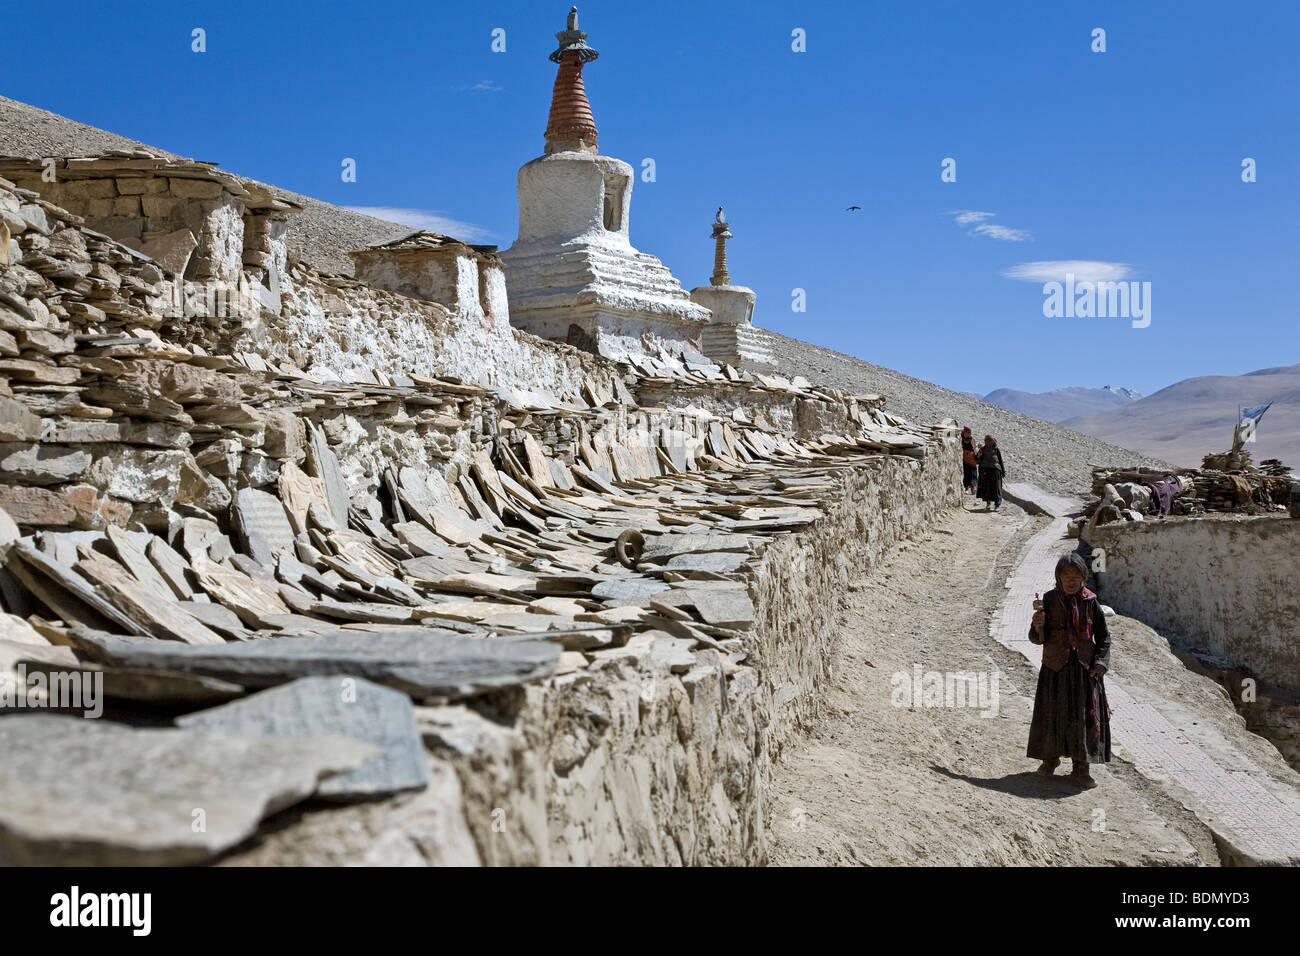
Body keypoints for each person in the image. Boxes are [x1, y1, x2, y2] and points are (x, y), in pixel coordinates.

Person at [1026, 553, 1112, 789]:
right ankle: (1049, 760)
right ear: (1058, 578)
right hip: (1055, 668)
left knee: (1082, 719)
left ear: (1083, 577)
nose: (1071, 581)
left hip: (1084, 671)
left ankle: (1081, 768)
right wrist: (1037, 626)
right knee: (1053, 714)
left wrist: (1101, 662)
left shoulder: (1091, 602)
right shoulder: (1050, 600)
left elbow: (1104, 638)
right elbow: (1036, 638)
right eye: (1066, 576)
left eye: (1076, 576)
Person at [976, 434, 1004, 510]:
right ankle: (988, 503)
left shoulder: (996, 449)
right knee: (987, 488)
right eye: (986, 440)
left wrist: (1003, 471)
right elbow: (977, 461)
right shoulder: (982, 449)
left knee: (996, 488)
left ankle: (997, 504)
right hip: (985, 471)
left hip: (995, 471)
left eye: (990, 440)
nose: (988, 442)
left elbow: (1000, 461)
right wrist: (979, 455)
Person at [960, 427, 978, 494]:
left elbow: (974, 449)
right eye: (968, 433)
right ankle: (966, 488)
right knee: (965, 474)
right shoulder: (961, 439)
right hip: (964, 459)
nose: (969, 434)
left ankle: (974, 488)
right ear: (964, 433)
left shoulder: (972, 440)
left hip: (971, 459)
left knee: (973, 474)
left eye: (970, 433)